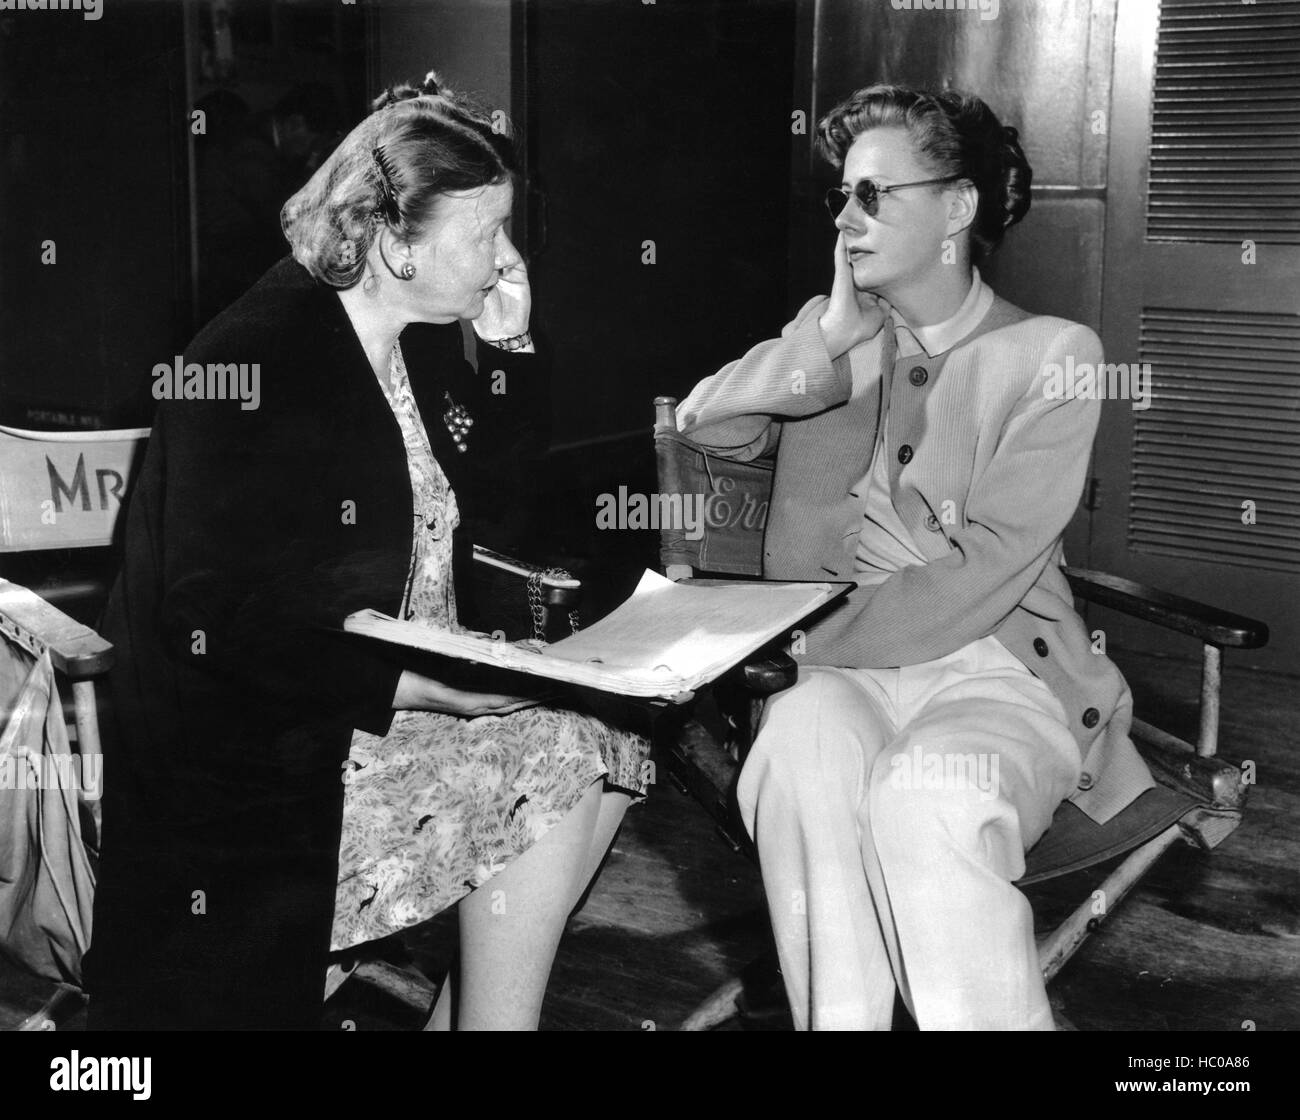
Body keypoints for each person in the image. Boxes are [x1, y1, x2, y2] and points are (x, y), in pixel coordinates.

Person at [85, 71, 648, 1031]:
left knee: (608, 741)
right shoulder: (246, 368)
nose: (506, 259)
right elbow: (222, 630)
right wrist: (429, 688)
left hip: (372, 711)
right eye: (485, 235)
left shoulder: (409, 344)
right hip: (268, 764)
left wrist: (509, 356)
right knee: (561, 754)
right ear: (394, 242)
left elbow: (495, 519)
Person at [675, 85, 1154, 1030]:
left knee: (923, 797)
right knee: (801, 759)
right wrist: (824, 339)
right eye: (841, 197)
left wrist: (803, 641)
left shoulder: (1055, 353)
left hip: (997, 671)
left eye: (874, 195)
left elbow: (988, 567)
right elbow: (704, 426)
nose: (846, 219)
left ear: (958, 209)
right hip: (836, 673)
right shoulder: (842, 347)